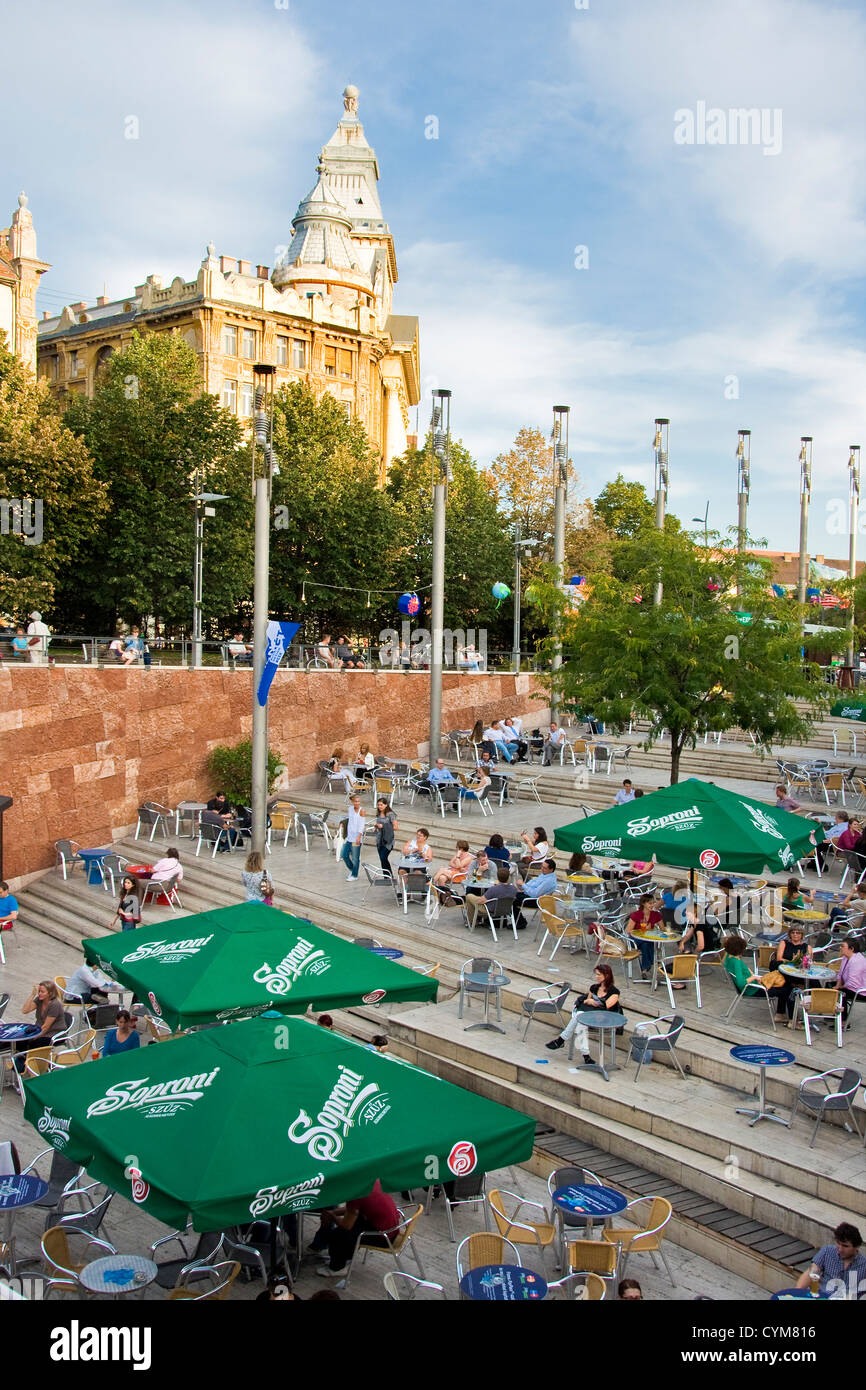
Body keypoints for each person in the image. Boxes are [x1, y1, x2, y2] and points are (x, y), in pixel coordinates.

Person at [311, 1179, 401, 1278]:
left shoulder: (356, 1194)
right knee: (351, 1226)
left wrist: (331, 1217)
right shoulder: (370, 1182)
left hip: (384, 1237)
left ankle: (337, 1268)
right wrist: (333, 1213)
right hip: (390, 1227)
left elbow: (347, 1226)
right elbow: (352, 1209)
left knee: (338, 1235)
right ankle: (345, 1257)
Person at [546, 963, 623, 1062]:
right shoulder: (594, 987)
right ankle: (586, 1056)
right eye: (596, 974)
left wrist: (593, 1002)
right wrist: (592, 1002)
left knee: (579, 1018)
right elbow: (587, 1001)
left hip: (604, 1018)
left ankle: (561, 1040)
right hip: (590, 1014)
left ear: (607, 976)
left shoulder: (614, 992)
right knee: (580, 1021)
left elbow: (607, 1005)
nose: (596, 977)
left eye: (599, 974)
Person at [795, 1223, 866, 1297]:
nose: (840, 1249)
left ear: (857, 1246)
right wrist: (796, 1293)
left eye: (845, 1246)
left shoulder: (864, 1264)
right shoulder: (827, 1251)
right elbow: (811, 1271)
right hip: (822, 1296)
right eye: (838, 1243)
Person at [14, 981, 69, 1067]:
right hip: (40, 1031)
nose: (39, 994)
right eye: (39, 991)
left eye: (42, 992)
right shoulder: (39, 1000)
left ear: (50, 993)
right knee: (19, 1041)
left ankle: (29, 1064)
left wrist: (32, 1038)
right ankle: (25, 1062)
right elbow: (25, 1010)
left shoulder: (55, 1005)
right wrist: (32, 995)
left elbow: (46, 1027)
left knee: (33, 1044)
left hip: (53, 1034)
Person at [627, 893, 663, 976]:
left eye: (653, 903)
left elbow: (663, 929)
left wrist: (656, 930)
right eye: (650, 903)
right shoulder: (636, 915)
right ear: (643, 903)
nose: (652, 905)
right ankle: (653, 964)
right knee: (647, 943)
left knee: (646, 944)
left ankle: (645, 969)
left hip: (648, 939)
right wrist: (643, 930)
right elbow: (628, 931)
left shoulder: (656, 914)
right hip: (634, 940)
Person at [835, 938, 866, 1022]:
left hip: (861, 990)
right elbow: (840, 974)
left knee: (841, 993)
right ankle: (833, 1014)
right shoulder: (845, 957)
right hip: (850, 985)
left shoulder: (857, 961)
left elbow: (853, 983)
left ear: (851, 949)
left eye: (842, 946)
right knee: (829, 986)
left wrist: (839, 987)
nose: (840, 948)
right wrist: (837, 985)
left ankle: (844, 1021)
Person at [341, 794, 366, 882]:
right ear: (352, 802)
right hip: (349, 836)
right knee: (344, 855)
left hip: (357, 837)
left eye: (358, 801)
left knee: (355, 858)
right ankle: (353, 870)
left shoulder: (362, 811)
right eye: (355, 801)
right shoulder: (350, 809)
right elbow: (350, 820)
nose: (357, 803)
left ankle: (355, 875)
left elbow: (361, 825)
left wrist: (359, 837)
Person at [374, 798, 397, 876]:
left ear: (386, 805)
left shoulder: (390, 814)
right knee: (382, 858)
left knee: (384, 857)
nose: (380, 806)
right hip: (379, 839)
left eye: (381, 805)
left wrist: (383, 826)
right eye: (378, 805)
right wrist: (377, 826)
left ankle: (389, 875)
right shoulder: (378, 814)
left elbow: (395, 827)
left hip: (388, 839)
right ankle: (386, 876)